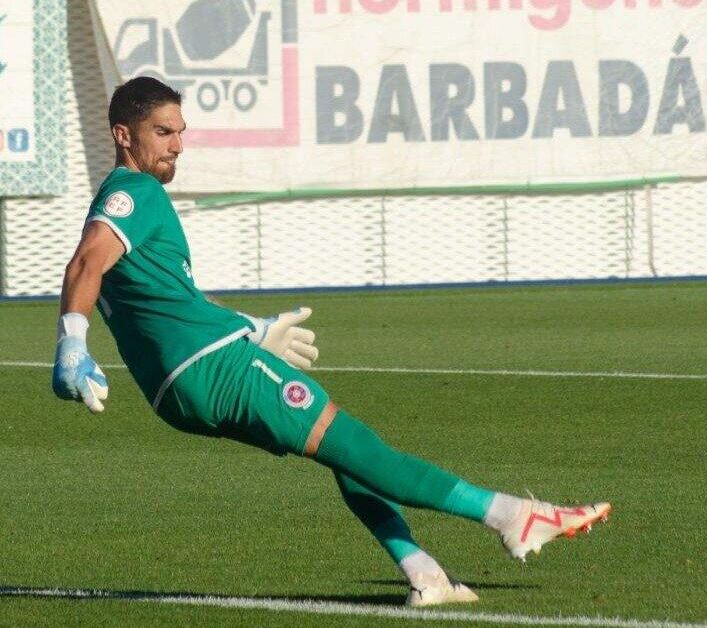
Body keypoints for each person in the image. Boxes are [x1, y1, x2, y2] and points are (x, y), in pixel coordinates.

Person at [51, 76, 610, 607]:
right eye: (162, 133)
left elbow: (171, 298)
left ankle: (424, 572)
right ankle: (511, 516)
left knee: (339, 449)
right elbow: (85, 262)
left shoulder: (123, 198)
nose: (177, 145)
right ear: (124, 135)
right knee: (363, 449)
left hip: (177, 393)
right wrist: (72, 343)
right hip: (215, 371)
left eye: (181, 133)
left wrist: (254, 328)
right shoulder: (136, 193)